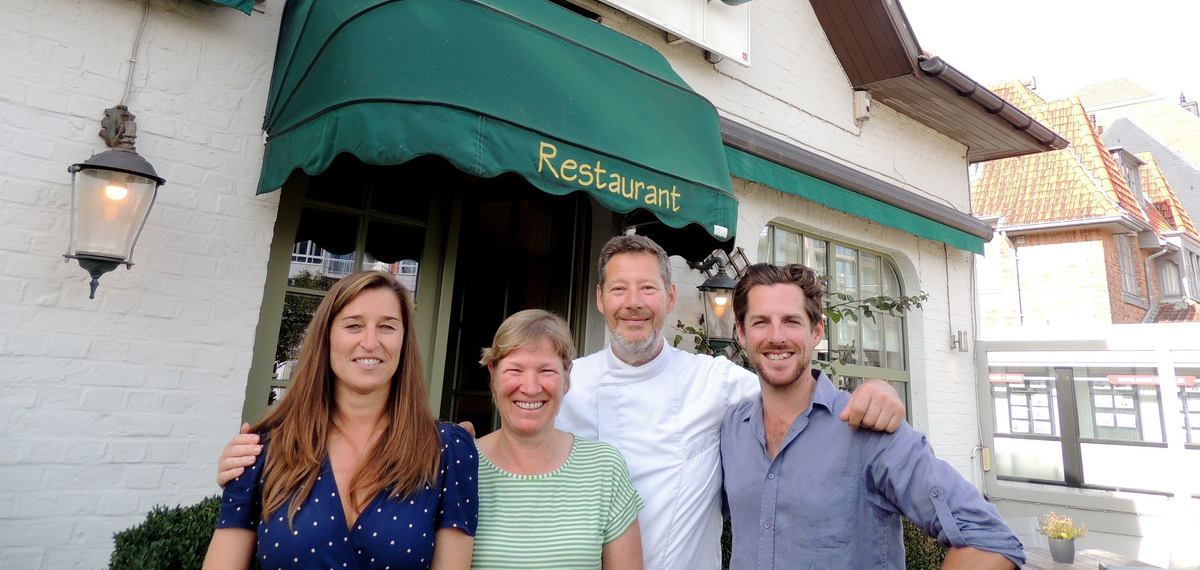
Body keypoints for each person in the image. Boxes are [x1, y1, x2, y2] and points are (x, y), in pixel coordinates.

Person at [218, 234, 904, 570]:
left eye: (648, 289)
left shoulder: (715, 383)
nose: (634, 303)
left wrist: (868, 392)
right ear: (601, 300)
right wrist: (451, 441)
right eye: (619, 289)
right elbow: (504, 441)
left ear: (671, 300)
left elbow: (793, 382)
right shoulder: (562, 384)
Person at [720, 263, 1025, 570]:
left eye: (791, 321)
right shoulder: (731, 431)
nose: (776, 336)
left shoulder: (868, 429)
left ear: (816, 332)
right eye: (761, 322)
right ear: (741, 334)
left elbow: (990, 539)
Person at [202, 270, 477, 570]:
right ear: (327, 336)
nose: (370, 342)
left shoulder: (448, 450)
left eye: (387, 326)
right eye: (353, 325)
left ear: (404, 341)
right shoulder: (262, 450)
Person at [473, 309, 643, 569]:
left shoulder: (604, 469)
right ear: (493, 375)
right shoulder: (460, 466)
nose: (530, 388)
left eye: (546, 371)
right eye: (515, 370)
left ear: (567, 377)